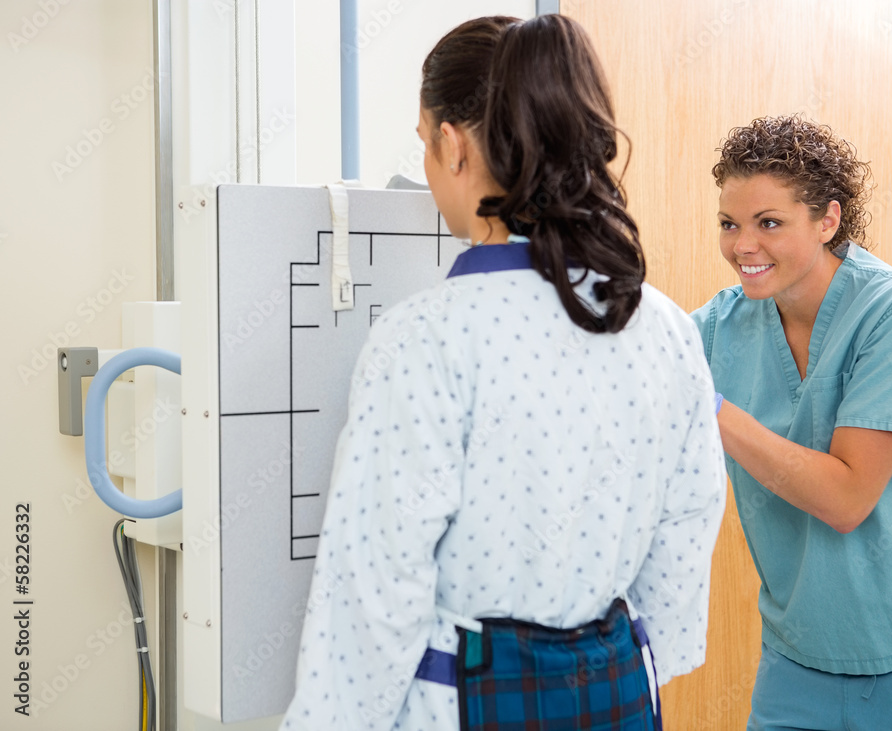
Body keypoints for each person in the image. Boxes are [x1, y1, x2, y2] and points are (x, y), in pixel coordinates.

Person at [281, 14, 726, 731]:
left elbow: (372, 594)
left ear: (452, 145)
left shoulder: (425, 338)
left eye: (424, 142)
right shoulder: (664, 327)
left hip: (466, 704)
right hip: (617, 694)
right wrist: (631, 662)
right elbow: (688, 526)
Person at [692, 114, 892, 730]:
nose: (742, 246)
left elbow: (846, 497)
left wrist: (713, 409)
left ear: (828, 220)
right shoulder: (717, 329)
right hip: (802, 654)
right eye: (730, 224)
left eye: (768, 223)